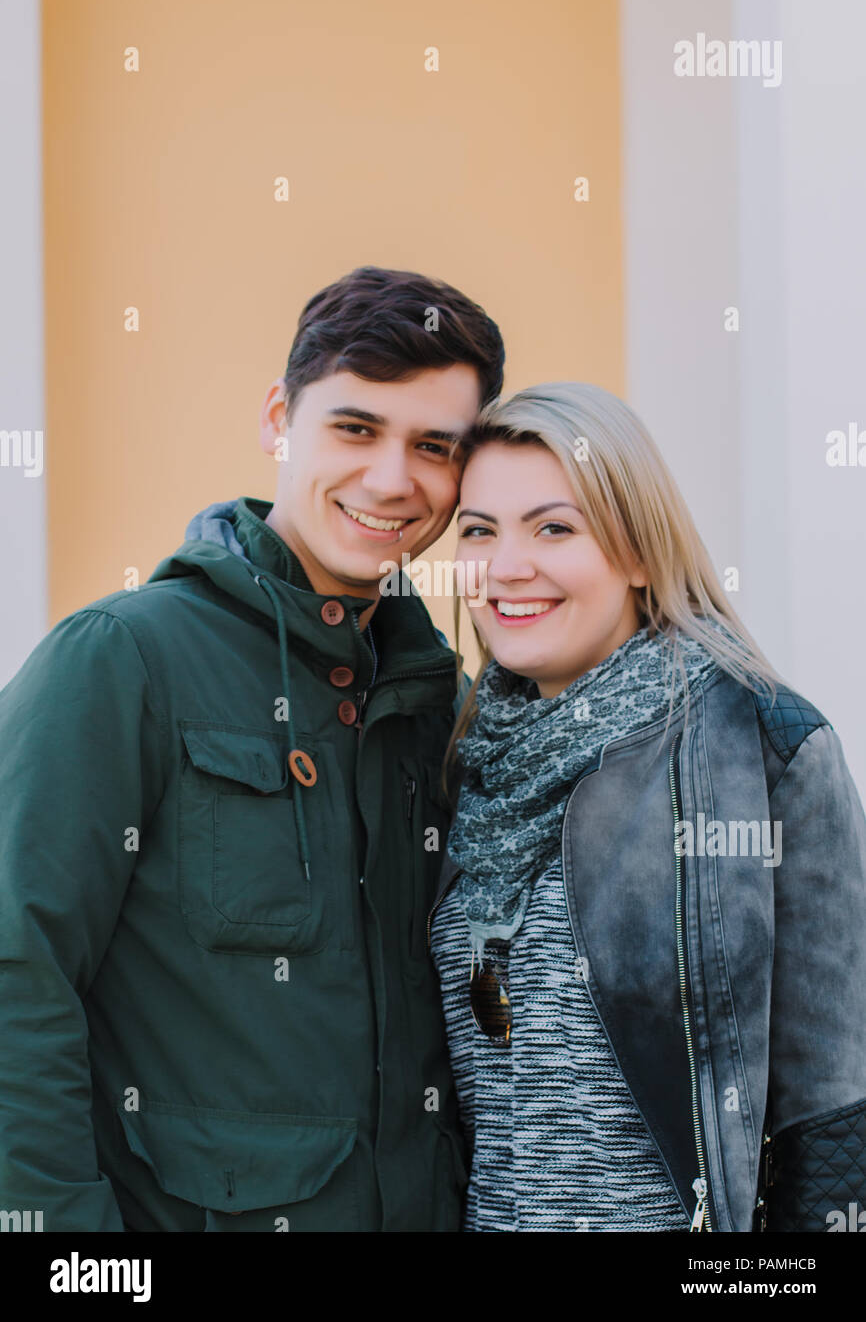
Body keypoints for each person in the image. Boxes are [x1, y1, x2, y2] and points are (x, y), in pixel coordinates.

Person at [0, 265, 503, 1232]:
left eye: (433, 446)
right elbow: (19, 974)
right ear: (281, 417)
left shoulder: (447, 709)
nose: (391, 479)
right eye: (355, 428)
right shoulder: (121, 663)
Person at [430, 381, 866, 1232]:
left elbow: (834, 1111)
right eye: (480, 530)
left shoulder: (763, 748)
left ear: (638, 551)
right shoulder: (461, 755)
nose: (507, 565)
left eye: (554, 527)